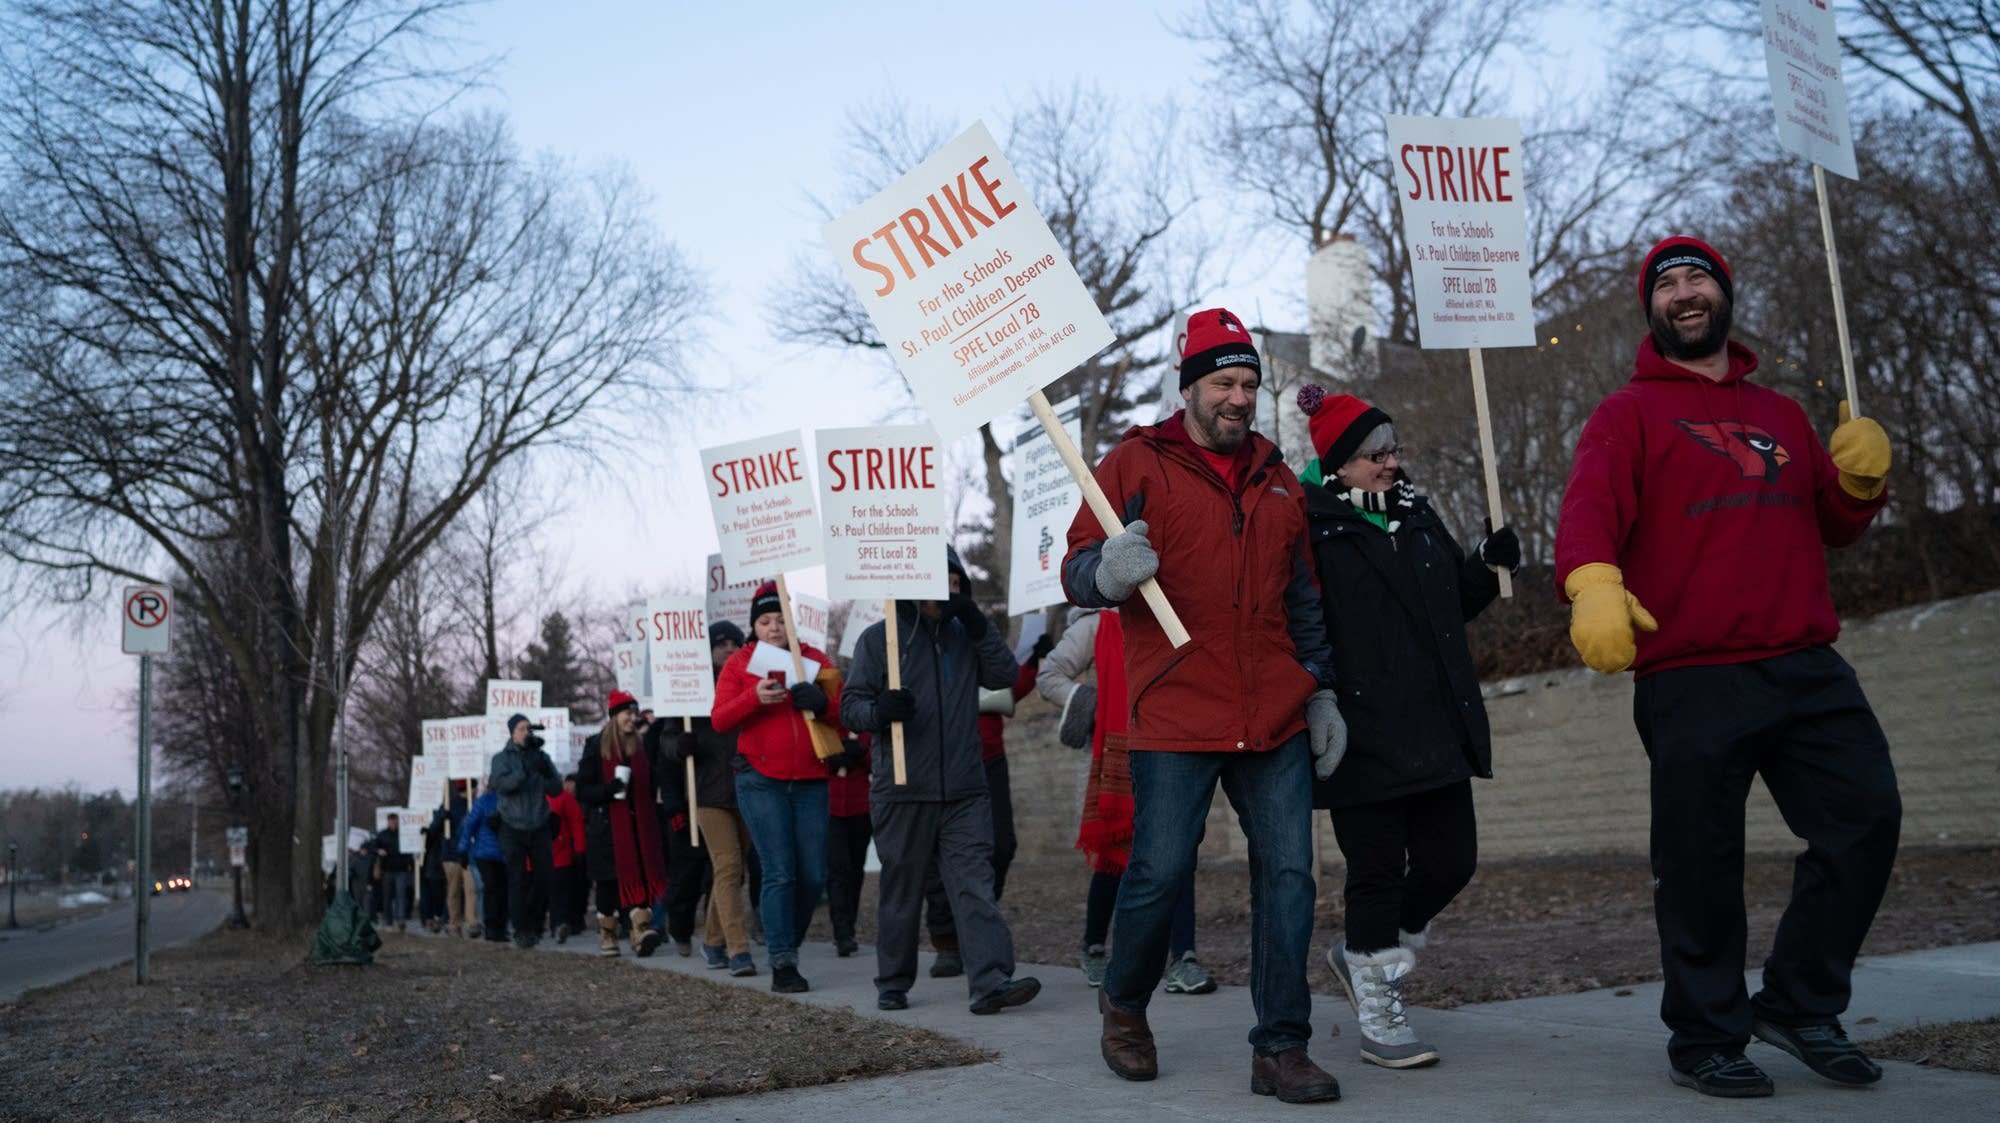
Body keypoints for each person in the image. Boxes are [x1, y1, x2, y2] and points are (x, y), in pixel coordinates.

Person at [1555, 236, 1900, 1098]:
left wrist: (1858, 483)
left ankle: (1800, 1002)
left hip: (1805, 660)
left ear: (1722, 295)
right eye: (1666, 283)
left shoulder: (1782, 413)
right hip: (1692, 672)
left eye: (1696, 277)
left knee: (1866, 819)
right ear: (1653, 310)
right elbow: (1590, 507)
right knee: (1701, 864)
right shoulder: (1625, 413)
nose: (1683, 291)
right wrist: (1592, 581)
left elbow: (1835, 522)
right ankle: (1707, 1034)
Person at [1062, 306, 1343, 1102]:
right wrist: (1107, 573)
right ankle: (1124, 1003)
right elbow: (1078, 567)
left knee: (1291, 874)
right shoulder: (1133, 462)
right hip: (1176, 706)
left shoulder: (1280, 478)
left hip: (1274, 711)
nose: (1239, 397)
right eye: (1223, 381)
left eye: (1250, 383)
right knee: (1157, 870)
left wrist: (1317, 688)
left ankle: (1281, 1046)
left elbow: (1305, 598)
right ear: (1189, 386)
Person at [1296, 386, 1518, 1069]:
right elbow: (1300, 625)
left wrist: (1487, 565)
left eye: (1393, 450)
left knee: (1453, 861)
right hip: (1359, 731)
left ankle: (1365, 949)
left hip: (1434, 722)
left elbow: (1450, 598)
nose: (1392, 463)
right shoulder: (1312, 529)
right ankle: (1381, 1008)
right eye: (1375, 455)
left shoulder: (1417, 512)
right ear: (1339, 464)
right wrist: (1316, 695)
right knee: (1376, 873)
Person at [842, 546, 1042, 1017]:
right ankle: (892, 981)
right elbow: (851, 707)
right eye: (940, 581)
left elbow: (1005, 675)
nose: (948, 591)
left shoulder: (965, 634)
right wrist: (879, 711)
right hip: (902, 789)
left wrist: (975, 620)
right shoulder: (879, 640)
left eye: (956, 583)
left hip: (966, 789)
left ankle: (990, 981)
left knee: (974, 884)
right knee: (902, 889)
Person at [1037, 605, 1213, 996]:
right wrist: (1096, 704)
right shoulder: (1095, 623)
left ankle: (1184, 959)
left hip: (1171, 746)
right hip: (1115, 754)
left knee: (1178, 852)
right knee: (1116, 854)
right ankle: (1095, 946)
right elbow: (1049, 675)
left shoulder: (1168, 611)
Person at [711, 582, 842, 994]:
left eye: (779, 620)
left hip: (810, 781)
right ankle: (783, 960)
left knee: (812, 874)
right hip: (760, 780)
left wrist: (822, 704)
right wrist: (753, 697)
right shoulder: (741, 664)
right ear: (754, 625)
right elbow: (719, 719)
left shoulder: (815, 660)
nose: (772, 628)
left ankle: (785, 937)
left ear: (791, 622)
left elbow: (842, 715)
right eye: (764, 621)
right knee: (780, 871)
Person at [653, 619, 754, 969]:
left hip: (748, 788)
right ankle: (737, 949)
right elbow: (665, 742)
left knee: (734, 870)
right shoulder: (690, 690)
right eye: (721, 643)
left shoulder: (751, 682)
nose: (728, 649)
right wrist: (678, 746)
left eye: (734, 643)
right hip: (708, 794)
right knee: (726, 868)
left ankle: (712, 942)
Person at [575, 691, 669, 957]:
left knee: (639, 875)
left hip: (640, 826)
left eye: (635, 712)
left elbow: (651, 783)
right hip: (607, 829)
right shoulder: (595, 745)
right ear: (614, 716)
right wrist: (609, 789)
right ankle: (608, 933)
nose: (632, 717)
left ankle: (640, 930)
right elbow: (583, 790)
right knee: (608, 883)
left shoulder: (641, 746)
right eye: (627, 713)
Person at [491, 714, 564, 949]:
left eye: (528, 729)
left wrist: (544, 771)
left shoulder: (541, 757)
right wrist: (523, 770)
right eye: (522, 729)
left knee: (544, 878)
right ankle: (522, 930)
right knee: (517, 879)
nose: (526, 733)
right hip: (512, 826)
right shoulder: (501, 759)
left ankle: (533, 924)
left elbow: (556, 789)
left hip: (539, 824)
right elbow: (502, 785)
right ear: (513, 733)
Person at [823, 734, 872, 958]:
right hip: (829, 805)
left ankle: (848, 927)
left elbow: (882, 760)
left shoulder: (866, 722)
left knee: (854, 869)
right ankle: (841, 931)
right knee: (838, 868)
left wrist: (861, 753)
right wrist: (827, 760)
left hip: (861, 805)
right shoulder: (823, 722)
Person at [457, 783, 507, 943]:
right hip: (486, 854)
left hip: (499, 853)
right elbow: (469, 826)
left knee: (498, 890)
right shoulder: (484, 802)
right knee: (493, 890)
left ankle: (497, 928)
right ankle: (493, 928)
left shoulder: (507, 800)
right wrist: (463, 850)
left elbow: (468, 827)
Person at [547, 773, 587, 942]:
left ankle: (561, 924)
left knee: (562, 892)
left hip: (561, 853)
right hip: (546, 854)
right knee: (555, 893)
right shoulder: (535, 797)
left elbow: (576, 822)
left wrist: (579, 849)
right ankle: (558, 924)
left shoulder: (563, 798)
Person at [435, 785, 477, 937]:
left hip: (468, 854)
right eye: (474, 788)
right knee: (454, 890)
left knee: (471, 889)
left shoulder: (474, 805)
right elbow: (435, 828)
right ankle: (454, 923)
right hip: (451, 854)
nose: (476, 791)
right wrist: (442, 817)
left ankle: (471, 922)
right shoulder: (448, 805)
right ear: (468, 789)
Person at [373, 813, 414, 932]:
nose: (393, 824)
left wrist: (409, 864)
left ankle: (400, 920)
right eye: (392, 822)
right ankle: (389, 920)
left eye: (395, 821)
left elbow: (409, 849)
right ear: (388, 822)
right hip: (387, 870)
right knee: (387, 896)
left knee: (401, 895)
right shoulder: (382, 835)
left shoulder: (403, 834)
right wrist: (378, 850)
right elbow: (373, 847)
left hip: (401, 869)